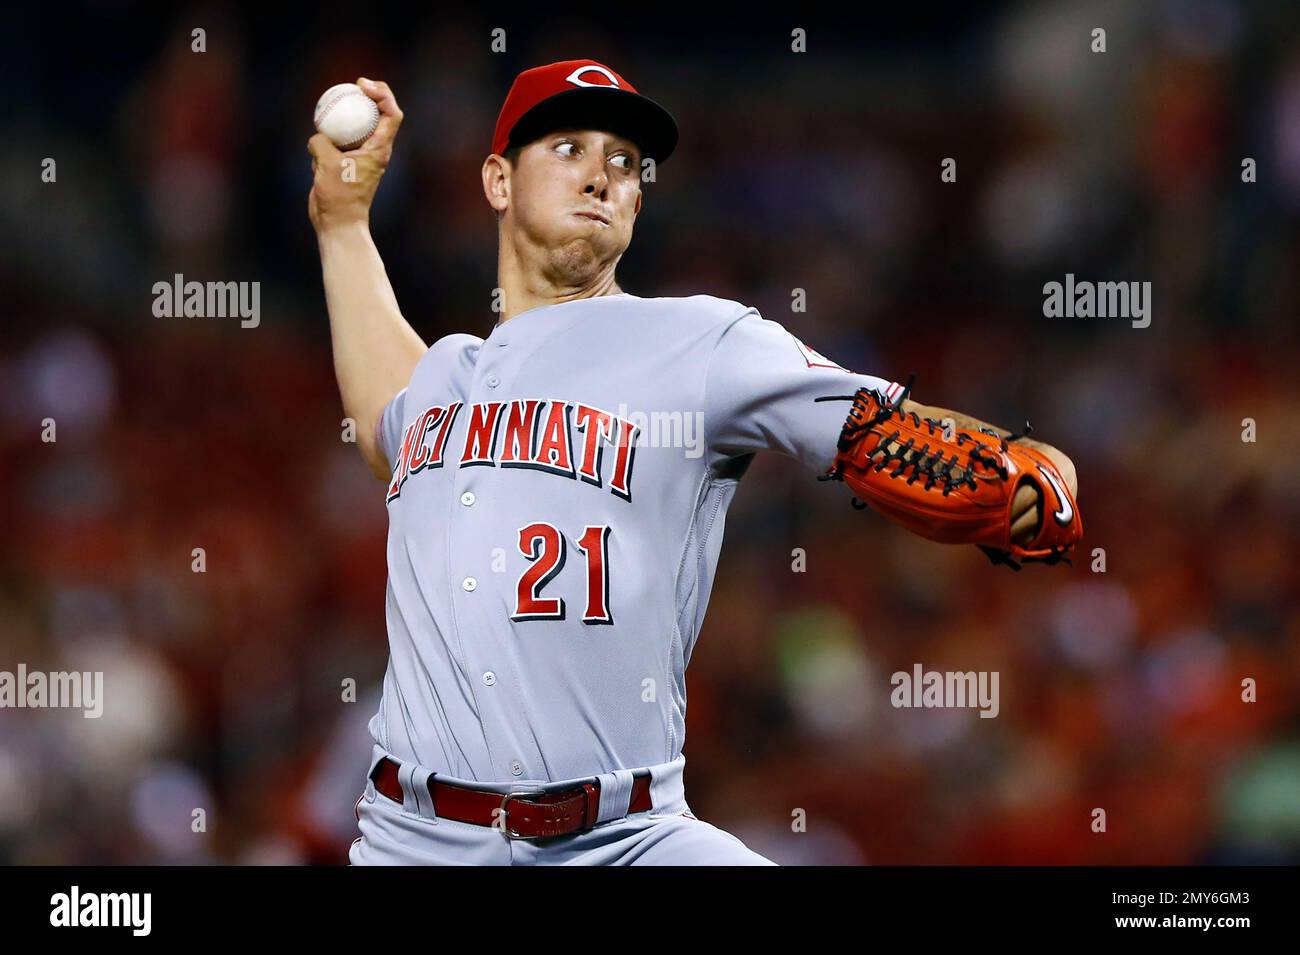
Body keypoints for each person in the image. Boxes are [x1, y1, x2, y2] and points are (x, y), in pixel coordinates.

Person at [307, 59, 1078, 865]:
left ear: (639, 200)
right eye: (569, 148)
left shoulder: (699, 342)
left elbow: (882, 426)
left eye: (625, 162)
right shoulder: (448, 378)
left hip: (624, 838)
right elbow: (382, 423)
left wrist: (1023, 471)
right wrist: (341, 221)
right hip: (410, 840)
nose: (602, 175)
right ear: (498, 181)